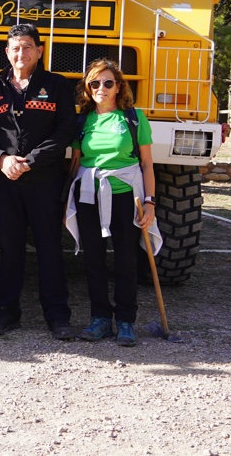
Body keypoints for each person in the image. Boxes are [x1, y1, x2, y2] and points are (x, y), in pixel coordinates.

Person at [0, 23, 80, 340]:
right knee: (10, 247)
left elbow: (65, 131)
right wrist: (2, 160)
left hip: (44, 179)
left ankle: (58, 316)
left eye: (28, 46)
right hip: (5, 179)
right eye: (16, 47)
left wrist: (31, 161)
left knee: (49, 247)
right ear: (8, 52)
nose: (22, 52)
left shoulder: (57, 85)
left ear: (40, 51)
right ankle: (6, 312)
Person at [65, 59, 160, 347]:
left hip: (126, 195)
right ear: (87, 88)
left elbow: (146, 164)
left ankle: (126, 321)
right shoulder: (82, 120)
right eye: (94, 83)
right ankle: (100, 319)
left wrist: (150, 203)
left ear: (119, 86)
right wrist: (65, 202)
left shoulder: (133, 118)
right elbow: (76, 163)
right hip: (88, 195)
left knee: (126, 260)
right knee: (93, 259)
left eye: (108, 82)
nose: (101, 88)